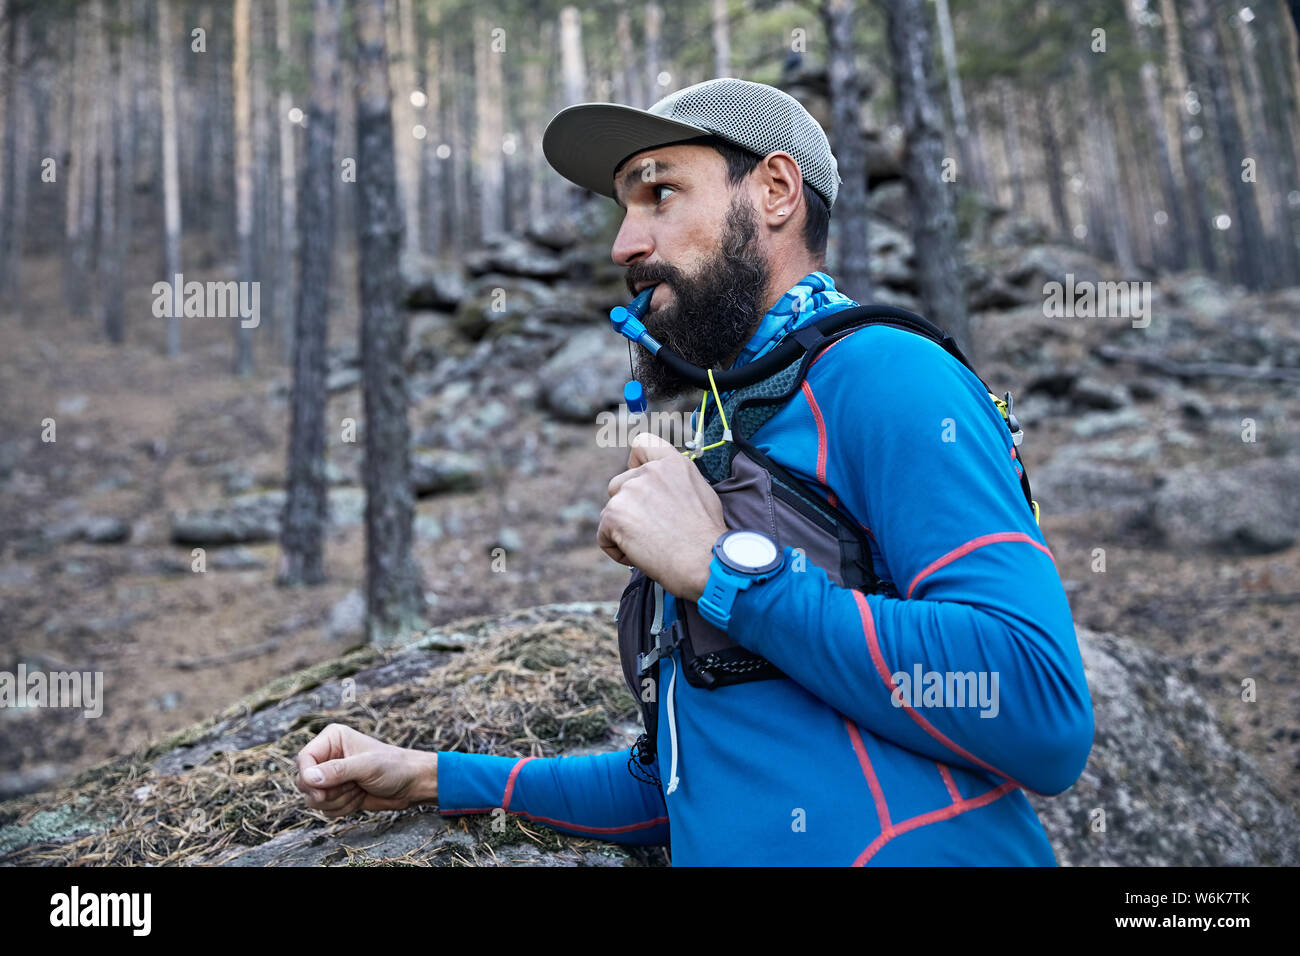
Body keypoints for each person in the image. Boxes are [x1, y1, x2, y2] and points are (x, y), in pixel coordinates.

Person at [295, 78, 1094, 866]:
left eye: (661, 195)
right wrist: (428, 776)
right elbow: (683, 784)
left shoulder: (887, 375)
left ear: (775, 190)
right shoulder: (733, 428)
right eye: (624, 209)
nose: (625, 244)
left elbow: (1038, 705)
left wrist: (723, 571)